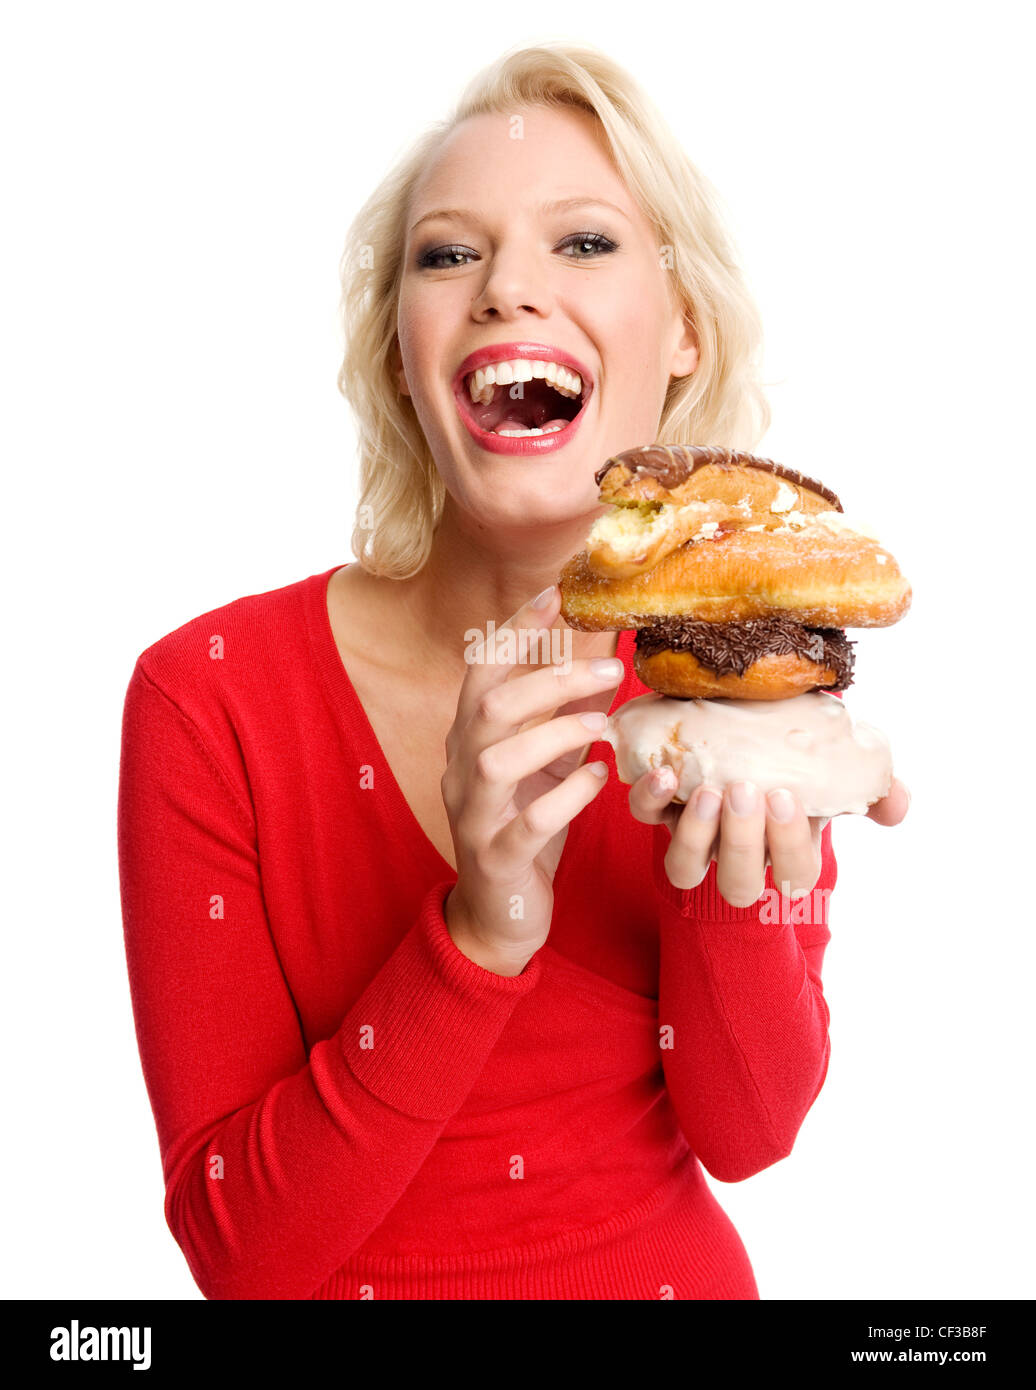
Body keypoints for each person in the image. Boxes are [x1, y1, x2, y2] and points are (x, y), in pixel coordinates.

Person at [117, 41, 908, 1301]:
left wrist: (749, 881)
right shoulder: (206, 695)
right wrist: (478, 934)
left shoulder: (736, 698)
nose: (505, 290)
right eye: (448, 254)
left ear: (685, 330)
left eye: (584, 243)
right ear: (397, 354)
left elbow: (749, 1134)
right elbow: (236, 1254)